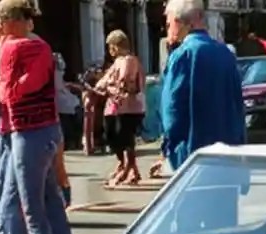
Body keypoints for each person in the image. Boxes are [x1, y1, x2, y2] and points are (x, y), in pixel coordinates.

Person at [0, 0, 74, 234]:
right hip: (48, 128)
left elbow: (9, 91)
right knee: (49, 197)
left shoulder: (11, 49)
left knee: (28, 200)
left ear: (8, 22)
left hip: (25, 130)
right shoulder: (42, 46)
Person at [159, 0, 244, 170]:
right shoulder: (226, 54)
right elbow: (238, 108)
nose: (168, 30)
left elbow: (171, 112)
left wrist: (169, 150)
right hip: (228, 158)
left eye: (168, 24)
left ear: (178, 21)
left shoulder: (182, 55)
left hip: (193, 158)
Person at [96, 30, 145, 187]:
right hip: (115, 106)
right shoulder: (117, 62)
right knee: (113, 135)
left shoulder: (129, 60)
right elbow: (104, 82)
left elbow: (125, 82)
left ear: (116, 46)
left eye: (111, 46)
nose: (109, 50)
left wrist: (108, 86)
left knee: (124, 137)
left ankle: (128, 168)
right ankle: (127, 166)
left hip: (128, 107)